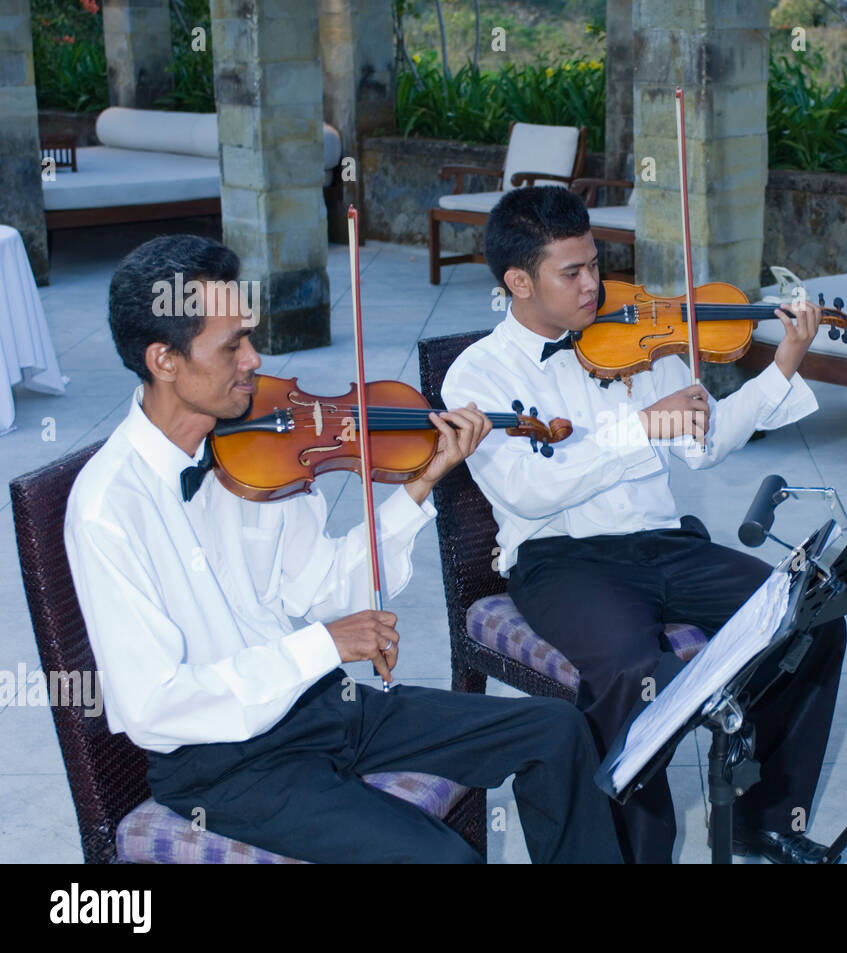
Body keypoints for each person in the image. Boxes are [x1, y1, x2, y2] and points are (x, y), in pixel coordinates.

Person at [65, 234, 623, 864]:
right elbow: (153, 706)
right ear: (164, 361)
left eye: (249, 335)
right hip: (221, 764)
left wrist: (420, 483)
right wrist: (323, 643)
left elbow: (330, 590)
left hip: (324, 706)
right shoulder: (108, 507)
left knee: (556, 731)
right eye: (231, 346)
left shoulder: (261, 450)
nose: (254, 358)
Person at [442, 186, 847, 864]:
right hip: (562, 560)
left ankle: (766, 815)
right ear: (518, 281)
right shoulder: (477, 374)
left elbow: (706, 443)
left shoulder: (641, 332)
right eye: (571, 272)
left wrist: (783, 364)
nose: (594, 285)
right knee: (638, 671)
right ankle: (631, 854)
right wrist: (635, 427)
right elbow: (528, 489)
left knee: (812, 613)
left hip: (666, 543)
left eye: (595, 264)